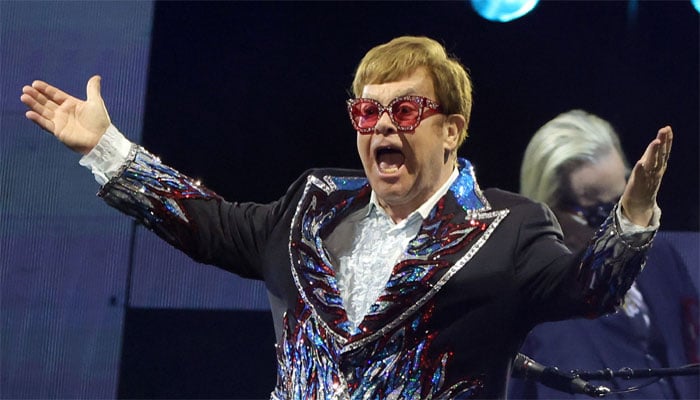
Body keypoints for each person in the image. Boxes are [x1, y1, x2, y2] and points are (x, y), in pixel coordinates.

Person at [20, 36, 673, 399]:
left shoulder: (508, 228)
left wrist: (634, 212)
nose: (382, 125)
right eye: (367, 112)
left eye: (405, 111)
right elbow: (209, 223)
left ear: (451, 130)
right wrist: (108, 149)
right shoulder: (310, 208)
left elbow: (591, 288)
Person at [511, 110, 697, 399]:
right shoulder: (533, 302)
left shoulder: (662, 256)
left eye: (624, 199)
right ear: (549, 210)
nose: (624, 222)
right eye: (600, 212)